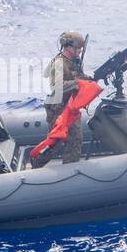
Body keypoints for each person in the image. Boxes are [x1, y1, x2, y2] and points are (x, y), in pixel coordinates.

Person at [43, 30, 86, 163]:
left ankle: (71, 167)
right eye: (77, 47)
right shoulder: (59, 64)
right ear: (68, 47)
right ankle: (36, 162)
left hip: (70, 107)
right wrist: (78, 83)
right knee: (55, 143)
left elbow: (78, 77)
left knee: (75, 140)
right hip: (58, 109)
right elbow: (58, 86)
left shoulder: (74, 61)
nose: (80, 50)